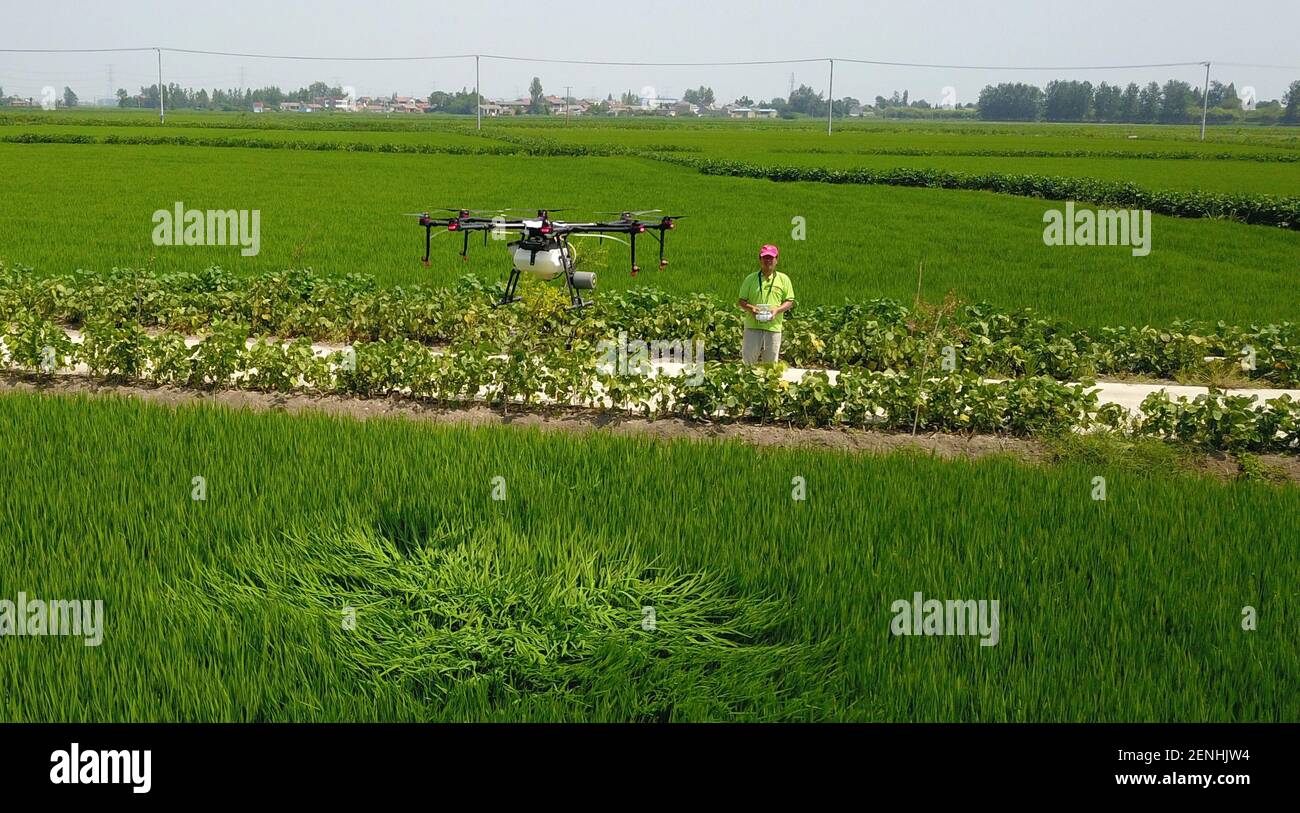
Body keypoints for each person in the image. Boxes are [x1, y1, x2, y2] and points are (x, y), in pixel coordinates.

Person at [737, 243, 794, 364]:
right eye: (765, 257)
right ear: (760, 259)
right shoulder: (750, 279)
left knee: (771, 365)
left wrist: (777, 310)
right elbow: (741, 301)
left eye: (771, 257)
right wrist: (751, 308)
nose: (768, 260)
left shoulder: (784, 279)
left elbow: (789, 301)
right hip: (753, 327)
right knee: (748, 363)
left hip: (773, 327)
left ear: (776, 260)